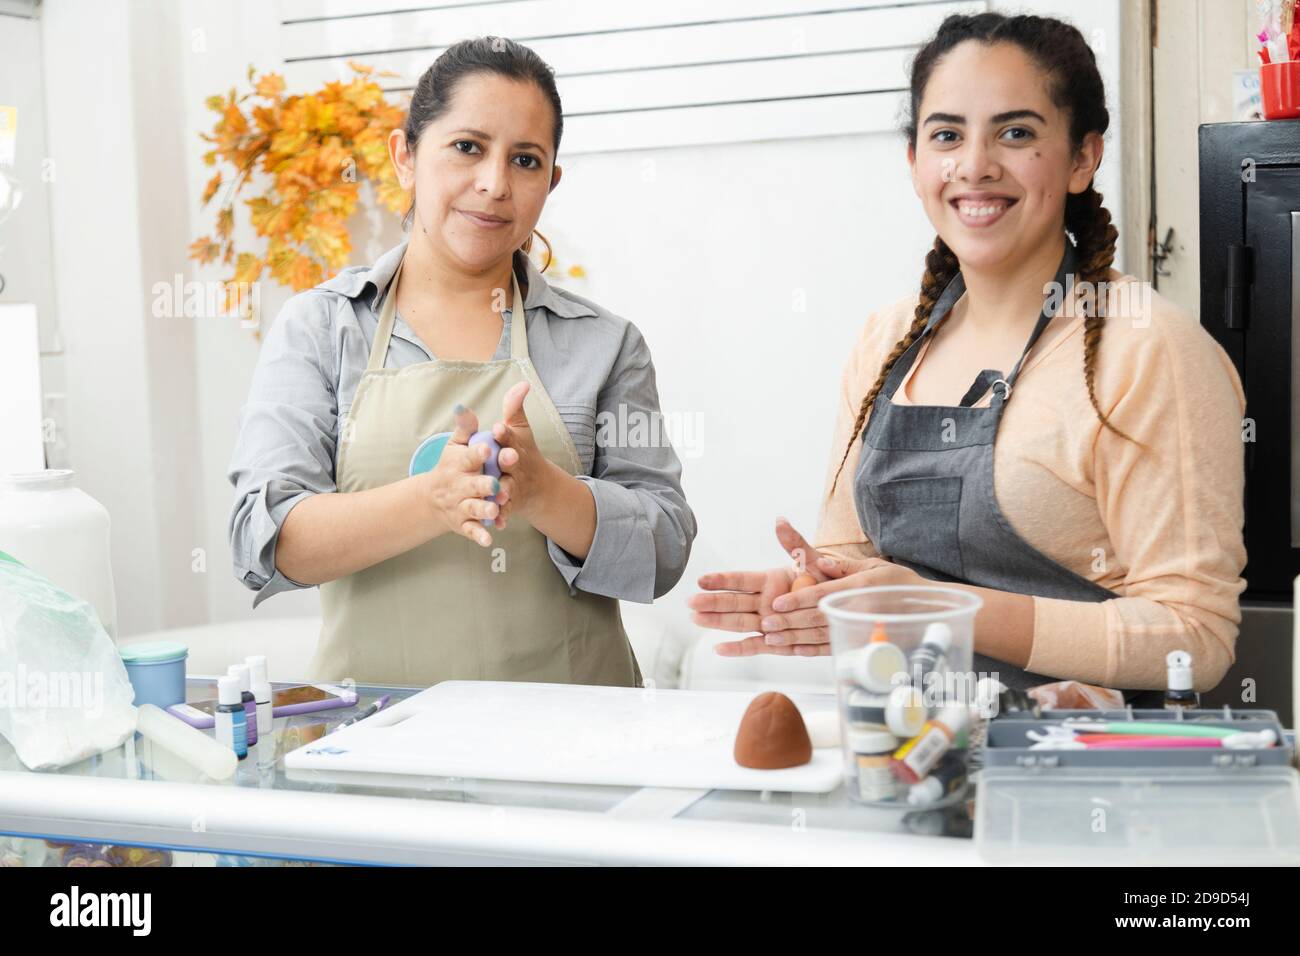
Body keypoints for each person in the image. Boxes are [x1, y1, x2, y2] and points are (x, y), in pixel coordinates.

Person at [691, 13, 1246, 699]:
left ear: (1082, 158)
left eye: (1016, 133)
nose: (975, 165)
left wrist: (939, 608)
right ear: (915, 162)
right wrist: (814, 595)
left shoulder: (1147, 349)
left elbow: (1192, 637)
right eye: (947, 135)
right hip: (905, 753)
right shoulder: (886, 340)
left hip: (1084, 773)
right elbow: (855, 561)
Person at [228, 38, 695, 688]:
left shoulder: (604, 345)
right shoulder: (322, 328)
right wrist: (433, 498)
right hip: (377, 742)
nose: (495, 184)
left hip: (573, 745)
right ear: (405, 156)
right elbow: (266, 542)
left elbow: (663, 550)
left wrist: (541, 490)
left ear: (550, 183)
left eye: (525, 160)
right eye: (468, 147)